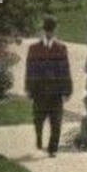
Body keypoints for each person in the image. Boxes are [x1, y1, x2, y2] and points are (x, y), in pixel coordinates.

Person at [24, 16, 72, 157]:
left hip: (56, 91)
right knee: (38, 119)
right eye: (47, 30)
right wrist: (29, 89)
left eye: (51, 30)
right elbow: (30, 70)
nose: (49, 33)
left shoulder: (61, 48)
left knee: (56, 121)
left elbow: (65, 70)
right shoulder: (34, 49)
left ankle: (52, 148)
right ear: (43, 30)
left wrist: (67, 89)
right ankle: (39, 136)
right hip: (39, 91)